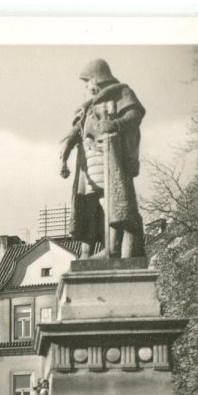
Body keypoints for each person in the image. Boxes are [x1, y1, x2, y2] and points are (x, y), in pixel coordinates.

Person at [59, 58, 146, 259]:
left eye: (87, 81)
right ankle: (91, 252)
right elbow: (78, 130)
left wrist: (116, 124)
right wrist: (66, 148)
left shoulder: (120, 92)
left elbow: (134, 113)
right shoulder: (87, 107)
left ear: (97, 78)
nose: (87, 86)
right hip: (88, 164)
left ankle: (113, 249)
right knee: (92, 205)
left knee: (113, 202)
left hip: (109, 157)